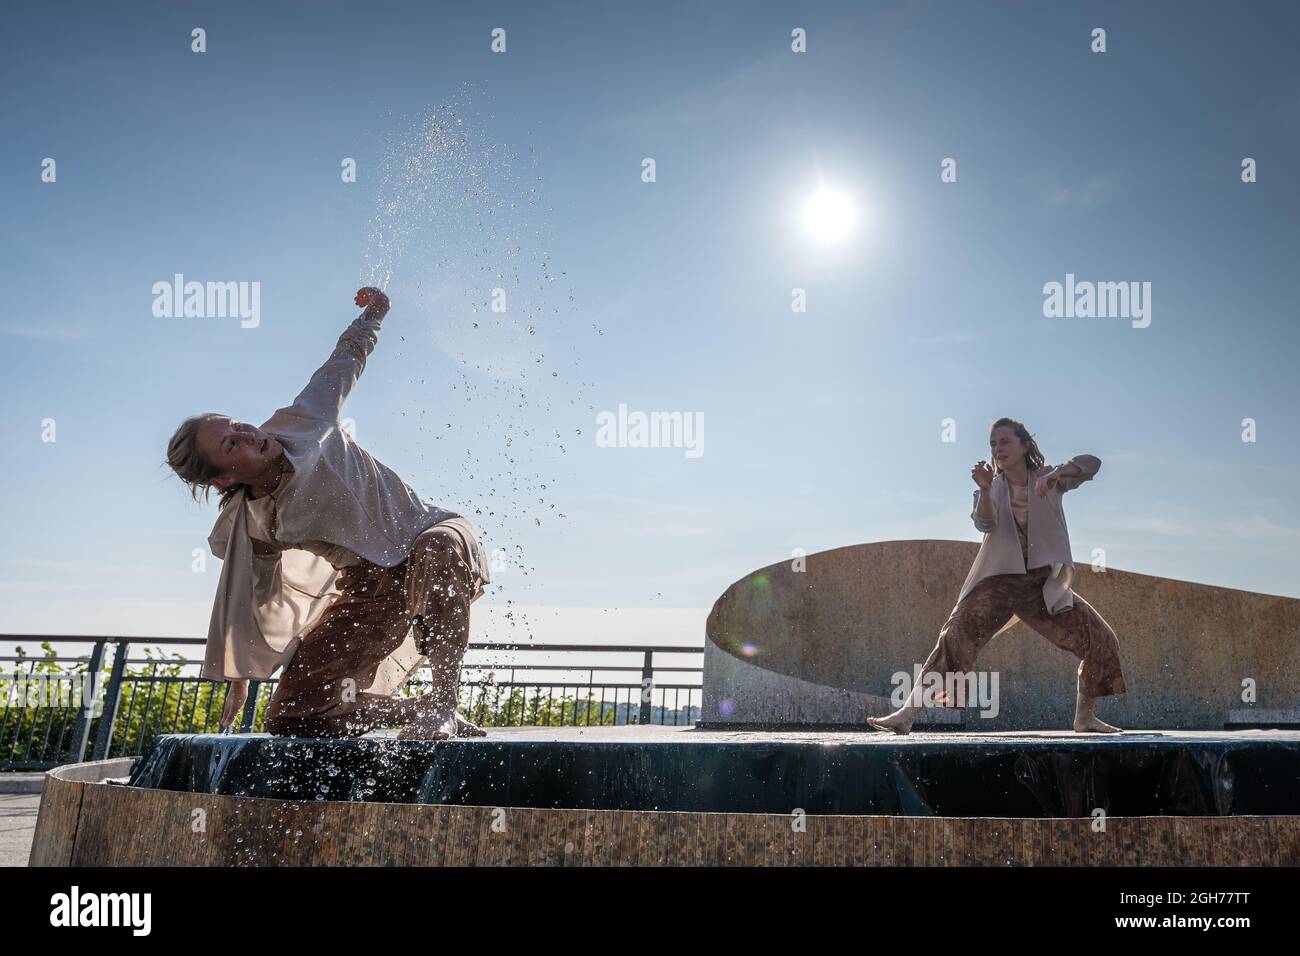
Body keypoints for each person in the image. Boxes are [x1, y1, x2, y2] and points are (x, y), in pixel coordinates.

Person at [166, 287, 489, 740]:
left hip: (433, 534)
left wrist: (374, 315)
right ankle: (412, 712)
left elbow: (345, 359)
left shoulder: (305, 419)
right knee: (292, 717)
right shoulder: (259, 522)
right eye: (231, 444)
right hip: (372, 586)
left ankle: (442, 706)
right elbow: (249, 598)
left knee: (435, 549)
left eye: (238, 424)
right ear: (222, 478)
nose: (248, 433)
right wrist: (239, 678)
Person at [868, 417, 1126, 735]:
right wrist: (987, 489)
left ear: (1024, 445)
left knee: (1101, 639)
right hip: (1000, 581)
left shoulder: (1048, 478)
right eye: (993, 443)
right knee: (955, 635)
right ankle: (907, 714)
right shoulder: (991, 487)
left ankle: (1084, 718)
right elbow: (984, 523)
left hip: (1042, 585)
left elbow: (1092, 464)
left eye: (1005, 441)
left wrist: (1056, 474)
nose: (997, 448)